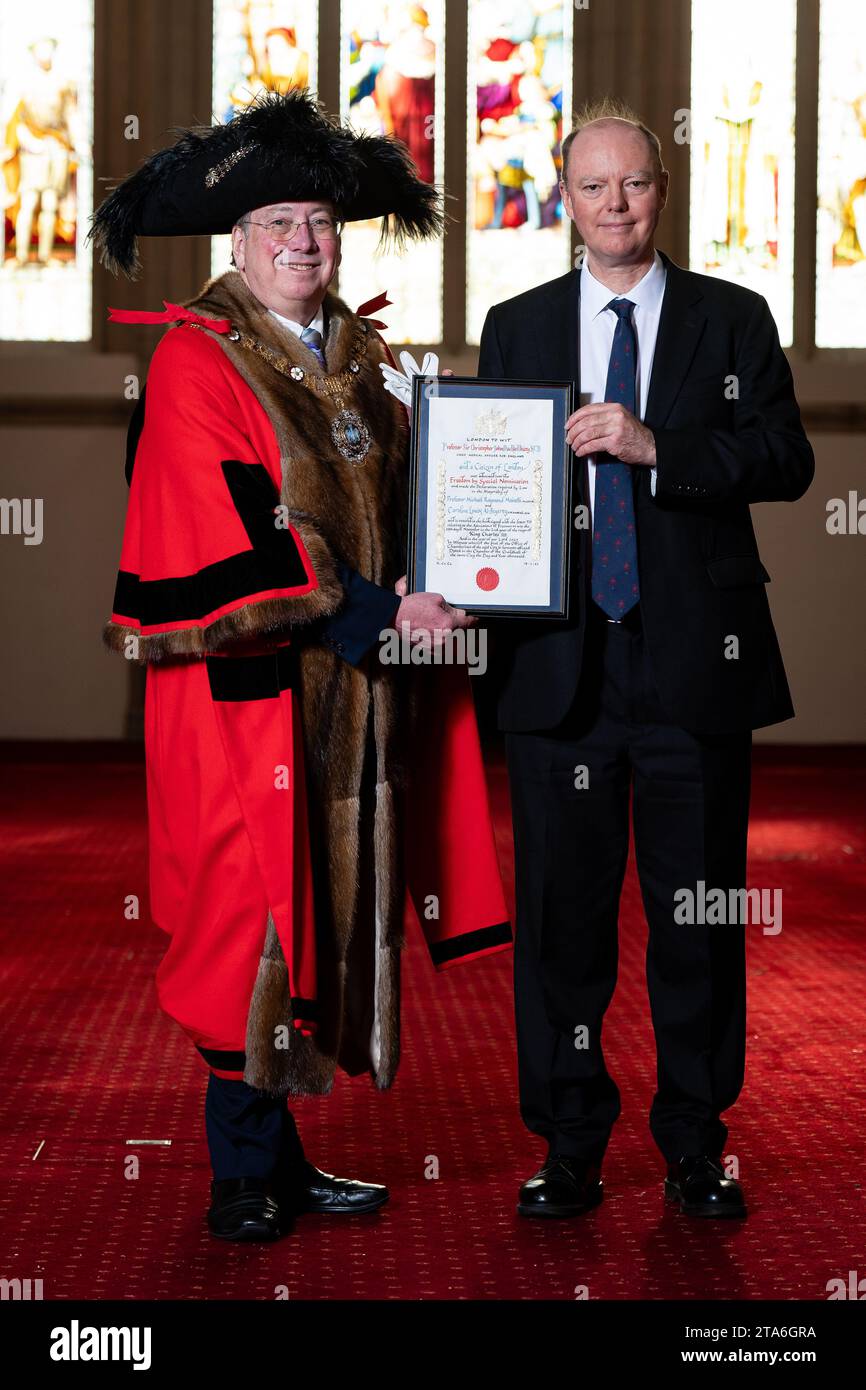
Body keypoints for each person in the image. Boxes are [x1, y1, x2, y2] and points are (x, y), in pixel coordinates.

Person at [88, 89, 510, 1243]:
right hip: (248, 698)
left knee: (320, 914)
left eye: (319, 221)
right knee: (249, 919)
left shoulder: (362, 358)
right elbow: (232, 536)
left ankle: (282, 1155)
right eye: (277, 222)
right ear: (236, 240)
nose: (302, 242)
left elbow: (417, 495)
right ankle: (239, 1173)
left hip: (352, 690)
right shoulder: (196, 363)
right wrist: (381, 609)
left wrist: (458, 557)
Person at [477, 97, 814, 1220]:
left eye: (633, 183)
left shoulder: (733, 317)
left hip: (694, 667)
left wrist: (655, 445)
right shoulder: (517, 325)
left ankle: (694, 1144)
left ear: (661, 192)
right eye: (592, 186)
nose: (614, 204)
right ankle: (569, 1144)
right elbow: (490, 482)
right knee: (561, 923)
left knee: (698, 919)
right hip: (558, 668)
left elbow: (785, 459)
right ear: (564, 200)